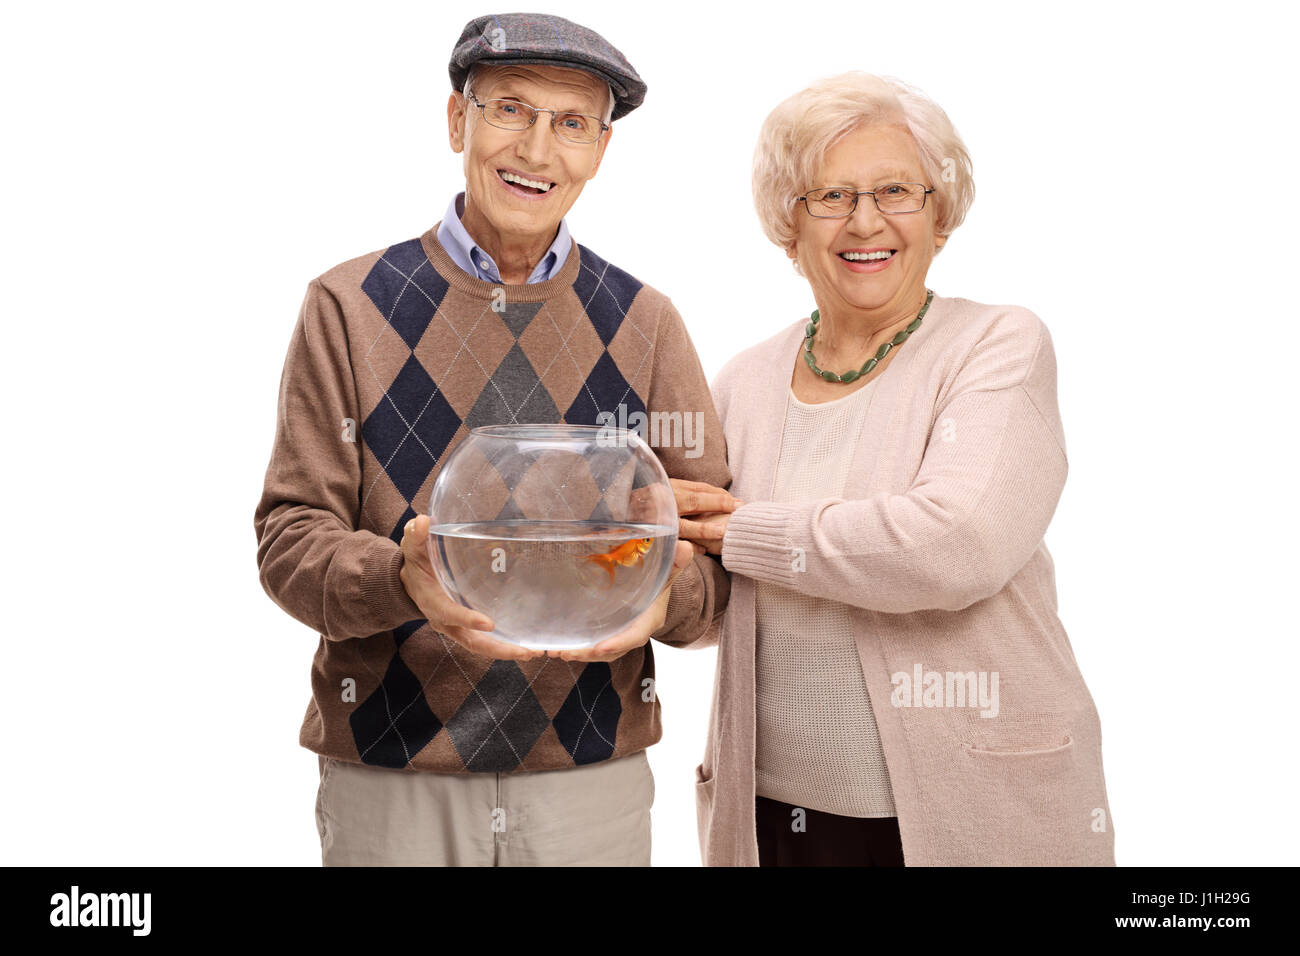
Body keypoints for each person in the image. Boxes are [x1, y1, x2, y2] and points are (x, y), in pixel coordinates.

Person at [253, 12, 735, 867]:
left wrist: (667, 592)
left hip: (590, 775)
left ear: (600, 150)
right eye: (510, 108)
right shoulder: (347, 305)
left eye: (572, 123)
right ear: (456, 121)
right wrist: (399, 577)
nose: (539, 150)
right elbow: (289, 548)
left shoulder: (648, 323)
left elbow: (713, 564)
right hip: (390, 772)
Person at [681, 71, 1116, 866]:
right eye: (831, 196)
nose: (866, 221)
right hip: (772, 815)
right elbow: (717, 603)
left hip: (972, 808)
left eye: (896, 191)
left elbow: (957, 544)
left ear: (939, 215)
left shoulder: (997, 345)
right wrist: (626, 547)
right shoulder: (743, 380)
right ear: (789, 224)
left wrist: (741, 531)